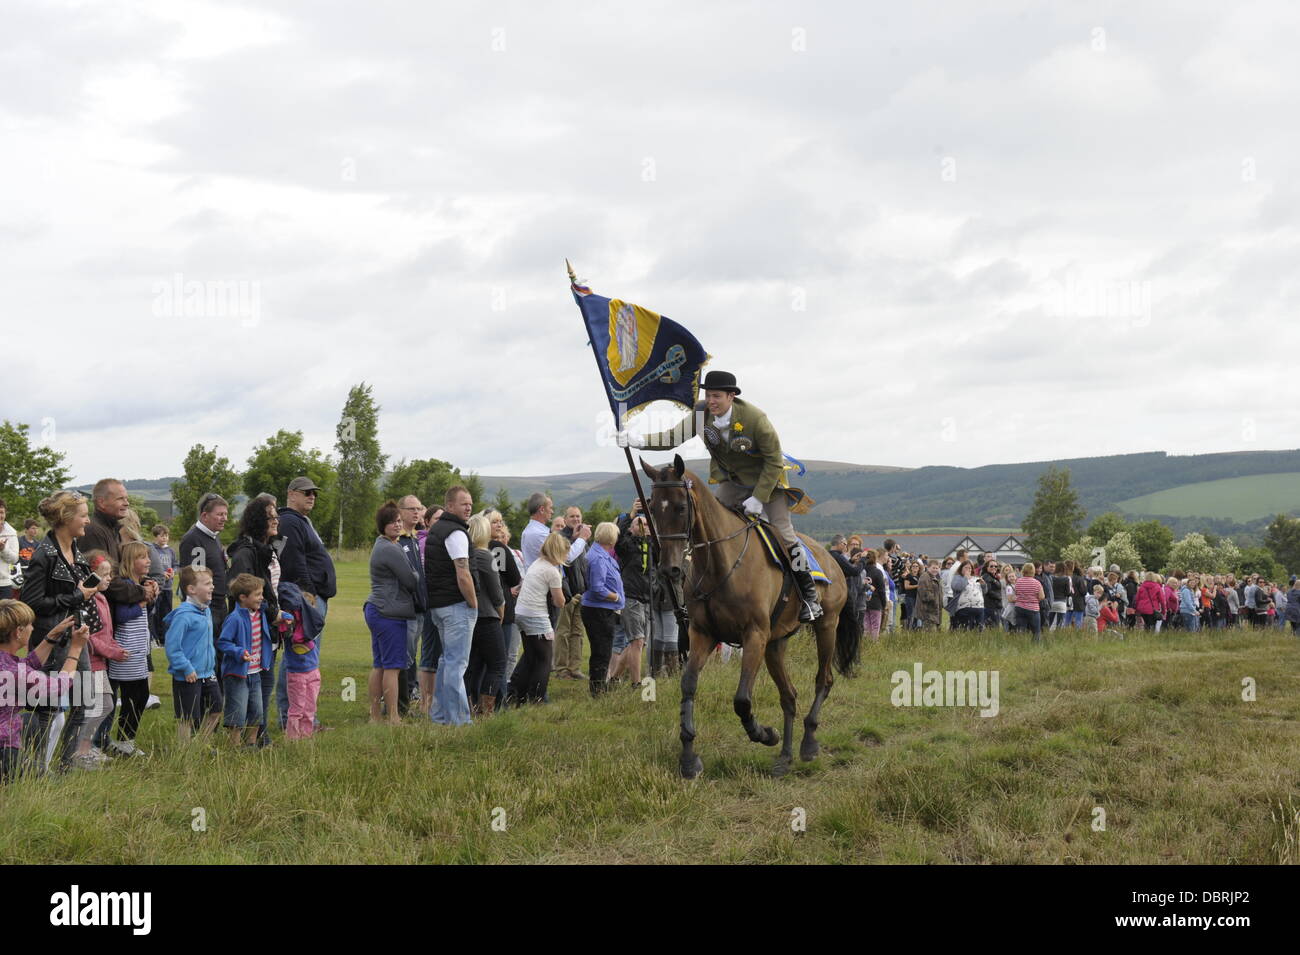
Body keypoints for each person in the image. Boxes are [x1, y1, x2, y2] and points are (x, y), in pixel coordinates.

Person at [620, 369, 823, 622]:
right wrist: (637, 441)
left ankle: (809, 596)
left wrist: (759, 498)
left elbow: (773, 462)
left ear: (731, 396)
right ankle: (704, 587)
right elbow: (673, 437)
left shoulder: (756, 419)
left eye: (716, 396)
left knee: (784, 532)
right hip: (733, 482)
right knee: (709, 523)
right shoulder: (701, 413)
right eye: (708, 395)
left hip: (767, 483)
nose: (711, 401)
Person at [19, 490, 100, 772]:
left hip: (76, 636)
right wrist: (76, 597)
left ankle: (68, 763)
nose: (87, 521)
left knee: (84, 700)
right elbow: (30, 603)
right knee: (47, 707)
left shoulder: (74, 550)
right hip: (51, 640)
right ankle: (36, 769)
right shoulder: (44, 555)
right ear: (66, 518)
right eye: (83, 515)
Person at [1, 601, 88, 783]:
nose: (33, 628)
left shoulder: (8, 663)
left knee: (31, 721)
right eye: (30, 625)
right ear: (18, 632)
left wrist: (51, 637)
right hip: (4, 748)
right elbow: (59, 687)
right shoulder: (15, 672)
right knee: (52, 783)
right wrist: (76, 649)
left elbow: (26, 665)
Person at [276, 477, 336, 732]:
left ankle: (302, 719)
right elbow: (293, 561)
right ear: (291, 494)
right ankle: (293, 720)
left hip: (312, 598)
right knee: (300, 659)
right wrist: (308, 593)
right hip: (306, 600)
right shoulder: (289, 520)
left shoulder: (299, 520)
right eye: (306, 492)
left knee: (303, 659)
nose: (312, 496)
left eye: (314, 493)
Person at [226, 494, 283, 744]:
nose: (275, 521)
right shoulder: (245, 553)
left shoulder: (265, 549)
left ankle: (259, 736)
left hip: (267, 630)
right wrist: (274, 612)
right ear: (258, 519)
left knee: (263, 688)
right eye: (270, 517)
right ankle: (254, 739)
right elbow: (242, 594)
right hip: (251, 634)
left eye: (276, 516)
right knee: (252, 690)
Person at [424, 486, 478, 726]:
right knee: (456, 665)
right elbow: (463, 572)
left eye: (470, 503)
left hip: (439, 604)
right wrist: (474, 602)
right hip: (456, 605)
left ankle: (439, 716)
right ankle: (459, 721)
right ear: (450, 506)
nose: (468, 507)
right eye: (463, 503)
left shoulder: (436, 530)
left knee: (447, 663)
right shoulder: (456, 533)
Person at [365, 501, 420, 725]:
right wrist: (416, 573)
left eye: (398, 521)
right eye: (392, 522)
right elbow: (411, 580)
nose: (397, 525)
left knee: (379, 665)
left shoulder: (383, 544)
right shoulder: (389, 548)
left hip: (378, 609)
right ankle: (394, 716)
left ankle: (375, 716)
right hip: (389, 612)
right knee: (392, 667)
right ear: (383, 526)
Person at [71, 551, 125, 768]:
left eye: (110, 574)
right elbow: (91, 637)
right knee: (94, 706)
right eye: (104, 574)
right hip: (90, 661)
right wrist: (111, 652)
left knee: (105, 704)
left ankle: (85, 747)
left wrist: (115, 647)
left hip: (100, 662)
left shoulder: (102, 598)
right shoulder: (87, 601)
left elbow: (105, 632)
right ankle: (79, 752)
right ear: (90, 576)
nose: (109, 578)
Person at [506, 532, 568, 705]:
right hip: (536, 615)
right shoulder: (552, 571)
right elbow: (560, 601)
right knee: (545, 659)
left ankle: (515, 693)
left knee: (531, 656)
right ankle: (537, 697)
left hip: (521, 613)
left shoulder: (536, 563)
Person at [107, 540, 155, 757]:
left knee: (140, 694)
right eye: (142, 557)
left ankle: (127, 739)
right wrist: (143, 602)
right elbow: (122, 616)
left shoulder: (139, 585)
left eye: (148, 556)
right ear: (130, 561)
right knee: (133, 695)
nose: (148, 561)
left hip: (138, 647)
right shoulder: (126, 587)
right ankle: (124, 741)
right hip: (126, 648)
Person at [217, 574, 277, 747]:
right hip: (237, 674)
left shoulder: (259, 614)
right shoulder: (234, 618)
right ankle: (234, 748)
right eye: (257, 594)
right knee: (237, 713)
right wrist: (238, 652)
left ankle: (250, 746)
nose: (262, 598)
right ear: (243, 597)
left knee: (257, 712)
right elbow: (223, 642)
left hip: (256, 672)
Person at [164, 565, 222, 742]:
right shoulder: (183, 615)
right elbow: (172, 647)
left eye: (212, 583)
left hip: (207, 673)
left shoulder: (206, 610)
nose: (212, 586)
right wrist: (186, 668)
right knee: (187, 717)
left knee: (216, 709)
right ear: (191, 589)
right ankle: (184, 753)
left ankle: (200, 744)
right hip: (188, 675)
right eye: (207, 583)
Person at [465, 514, 506, 715]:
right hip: (487, 616)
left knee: (474, 665)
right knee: (498, 664)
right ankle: (486, 710)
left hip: (471, 616)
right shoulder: (485, 555)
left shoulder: (467, 554)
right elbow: (497, 592)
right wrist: (501, 613)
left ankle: (470, 707)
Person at [579, 522, 624, 697]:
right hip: (599, 611)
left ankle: (598, 688)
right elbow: (597, 588)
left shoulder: (601, 554)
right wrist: (616, 597)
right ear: (612, 538)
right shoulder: (598, 558)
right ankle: (598, 691)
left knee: (602, 650)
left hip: (601, 610)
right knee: (602, 651)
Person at [610, 503, 651, 684]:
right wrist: (631, 514)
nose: (644, 526)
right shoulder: (626, 545)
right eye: (639, 523)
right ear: (632, 528)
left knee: (639, 643)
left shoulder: (651, 545)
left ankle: (614, 678)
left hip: (647, 597)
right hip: (631, 597)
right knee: (637, 641)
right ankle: (637, 684)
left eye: (647, 524)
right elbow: (617, 536)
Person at [179, 492, 230, 640]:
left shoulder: (214, 536)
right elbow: (193, 579)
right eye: (220, 514)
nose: (225, 518)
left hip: (219, 605)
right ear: (204, 516)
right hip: (206, 608)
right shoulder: (193, 539)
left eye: (225, 514)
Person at [487, 510, 523, 709]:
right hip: (501, 607)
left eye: (501, 521)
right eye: (494, 522)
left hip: (484, 608)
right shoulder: (498, 548)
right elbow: (512, 577)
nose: (499, 525)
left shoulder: (476, 545)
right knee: (500, 660)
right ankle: (500, 702)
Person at [394, 495, 427, 716]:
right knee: (403, 657)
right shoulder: (397, 540)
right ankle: (398, 705)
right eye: (411, 509)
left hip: (420, 608)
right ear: (401, 511)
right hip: (405, 610)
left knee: (412, 656)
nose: (416, 513)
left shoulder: (415, 538)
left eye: (419, 509)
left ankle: (408, 697)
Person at [554, 505, 592, 681]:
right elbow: (566, 558)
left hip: (581, 591)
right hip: (566, 592)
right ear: (565, 519)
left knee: (577, 632)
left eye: (578, 516)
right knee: (563, 631)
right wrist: (579, 538)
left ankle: (575, 667)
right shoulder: (560, 538)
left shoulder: (582, 540)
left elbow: (585, 563)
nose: (576, 519)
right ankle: (561, 669)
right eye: (572, 517)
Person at [417, 504, 444, 710]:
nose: (440, 523)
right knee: (430, 653)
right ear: (427, 522)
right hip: (429, 604)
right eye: (436, 519)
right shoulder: (425, 542)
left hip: (439, 603)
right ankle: (426, 704)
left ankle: (432, 701)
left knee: (437, 652)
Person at [860, 549, 888, 641]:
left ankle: (866, 642)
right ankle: (874, 644)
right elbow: (881, 590)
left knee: (866, 626)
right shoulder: (877, 572)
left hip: (864, 601)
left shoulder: (861, 571)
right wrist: (884, 604)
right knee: (875, 625)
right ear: (875, 559)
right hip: (876, 603)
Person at [1014, 562, 1045, 642]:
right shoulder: (1037, 583)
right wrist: (1034, 599)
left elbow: (1016, 593)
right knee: (1036, 631)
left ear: (1023, 570)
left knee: (1021, 630)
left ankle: (1021, 645)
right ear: (1033, 571)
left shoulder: (1018, 581)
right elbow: (1042, 597)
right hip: (1033, 609)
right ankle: (1035, 646)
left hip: (1020, 607)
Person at [0, 499, 18, 599]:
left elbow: (14, 559)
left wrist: (3, 549)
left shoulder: (11, 533)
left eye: (1, 512)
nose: (0, 516)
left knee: (4, 614)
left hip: (4, 584)